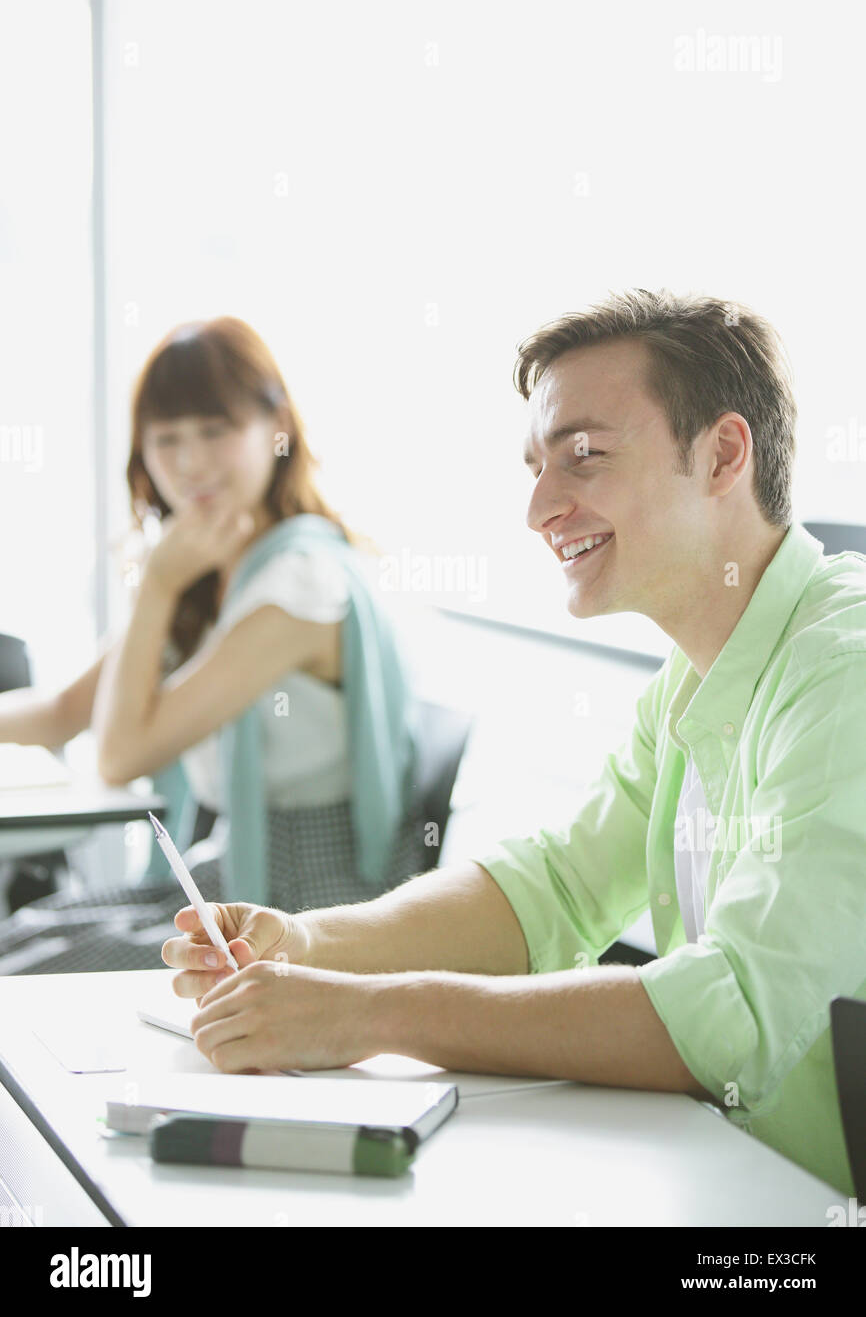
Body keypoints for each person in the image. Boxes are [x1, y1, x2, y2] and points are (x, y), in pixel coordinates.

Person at [164, 289, 866, 1199]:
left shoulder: (843, 675)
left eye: (584, 456)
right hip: (725, 1180)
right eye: (535, 466)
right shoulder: (699, 674)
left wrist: (369, 1014)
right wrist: (306, 943)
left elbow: (726, 1013)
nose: (540, 507)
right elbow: (556, 889)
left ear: (724, 453)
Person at [0, 316, 427, 974]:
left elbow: (119, 755)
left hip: (311, 898)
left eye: (215, 431)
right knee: (19, 935)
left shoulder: (297, 583)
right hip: (224, 871)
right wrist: (169, 586)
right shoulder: (218, 567)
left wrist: (158, 587)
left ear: (276, 430)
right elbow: (63, 711)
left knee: (21, 970)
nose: (190, 462)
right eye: (167, 439)